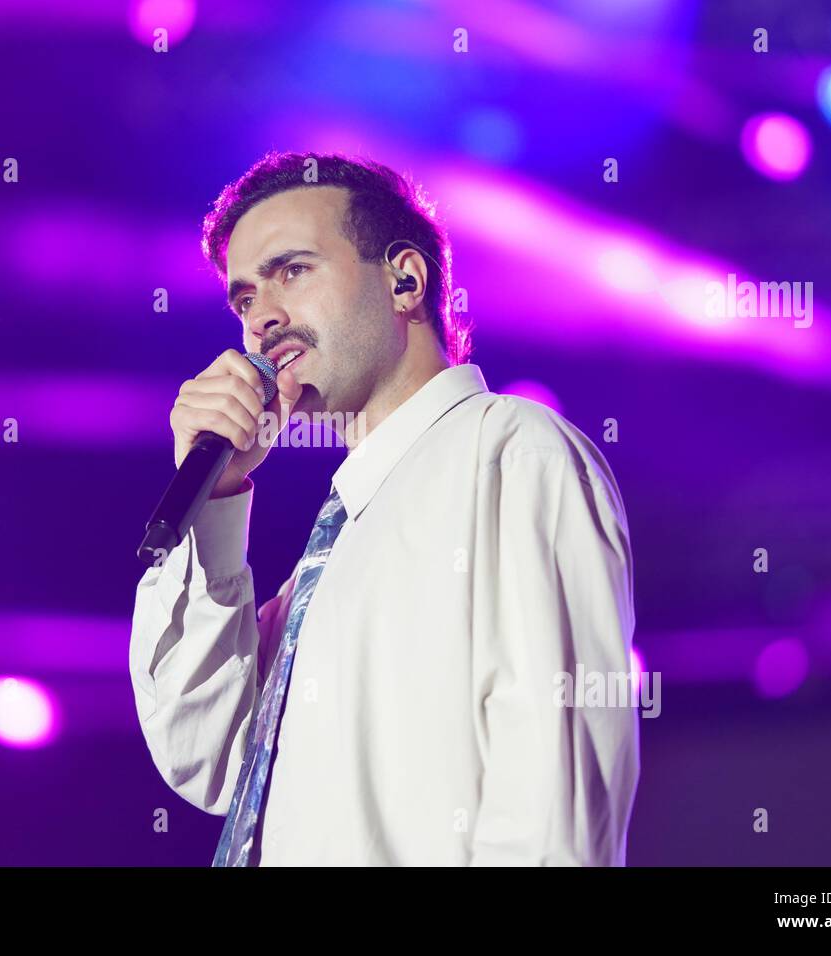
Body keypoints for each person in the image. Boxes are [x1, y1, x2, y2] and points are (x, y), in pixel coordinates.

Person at [129, 151, 639, 866]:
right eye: (243, 299)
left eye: (292, 271)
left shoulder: (511, 455)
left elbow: (553, 803)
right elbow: (203, 752)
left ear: (405, 280)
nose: (261, 320)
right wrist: (213, 498)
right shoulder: (336, 545)